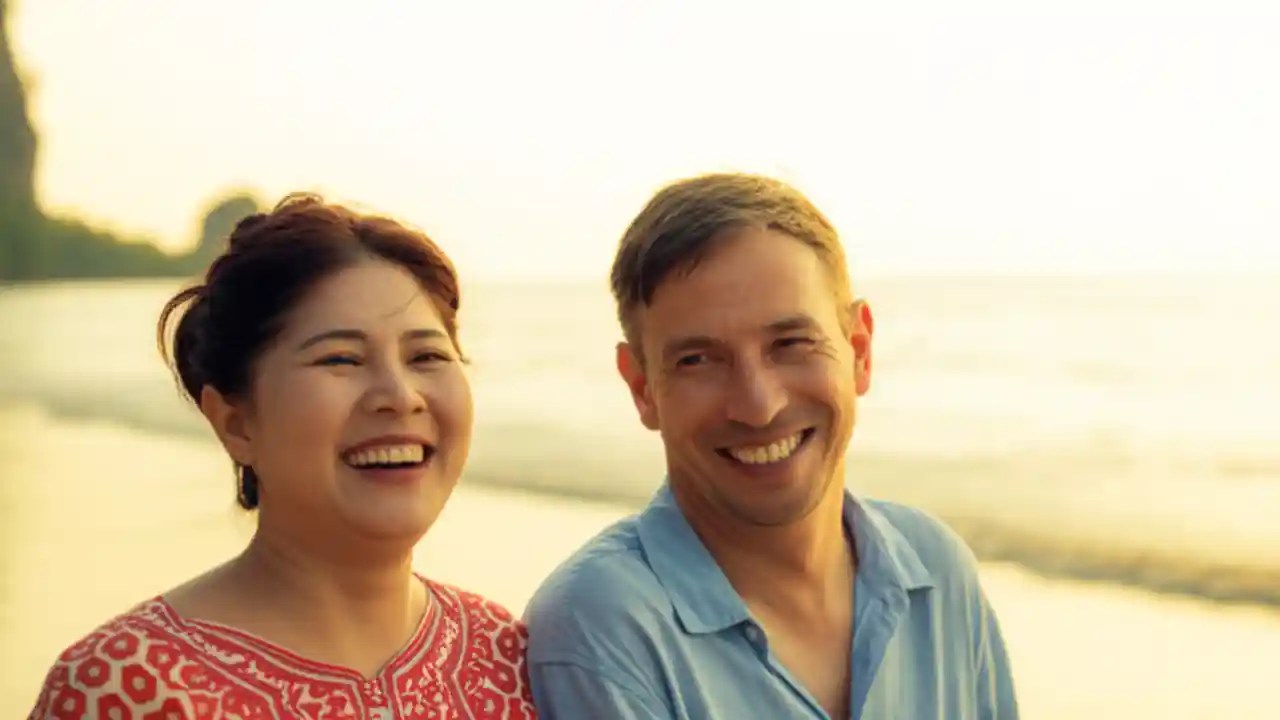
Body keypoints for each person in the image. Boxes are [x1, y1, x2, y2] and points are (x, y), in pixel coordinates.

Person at [523, 173, 1019, 719]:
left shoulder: (936, 571)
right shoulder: (604, 627)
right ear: (642, 389)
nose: (759, 405)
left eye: (791, 343)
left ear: (859, 350)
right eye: (698, 360)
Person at [28, 195, 537, 719]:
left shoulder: (512, 657)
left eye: (426, 356)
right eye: (341, 358)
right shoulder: (127, 686)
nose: (400, 394)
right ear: (236, 422)